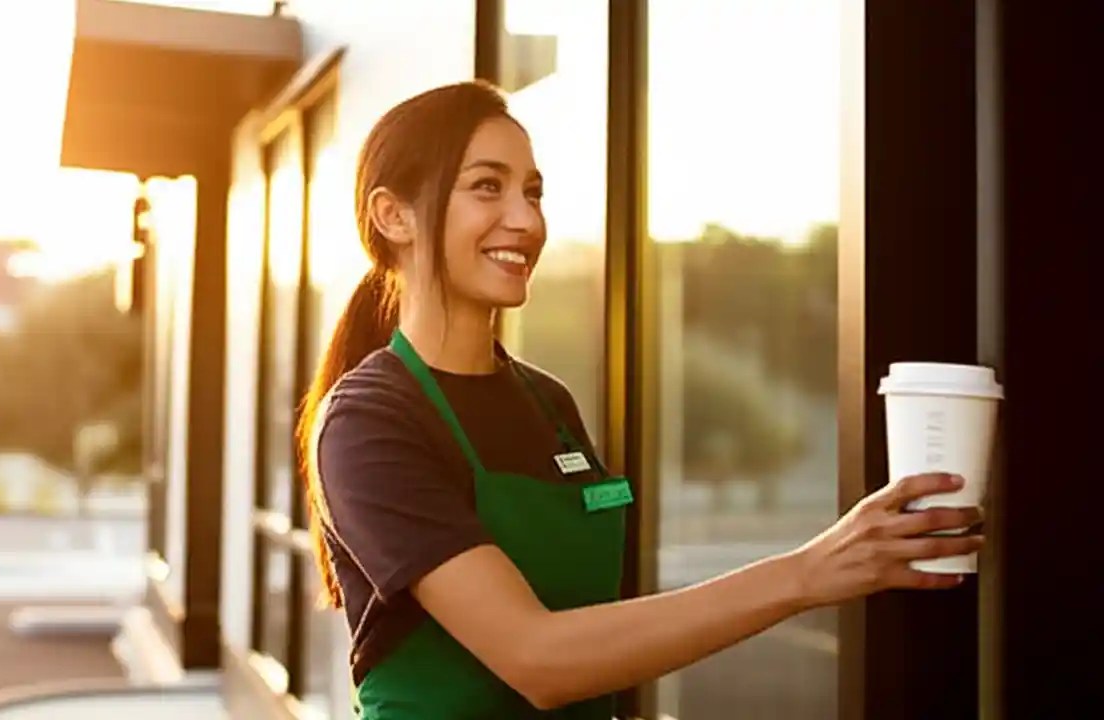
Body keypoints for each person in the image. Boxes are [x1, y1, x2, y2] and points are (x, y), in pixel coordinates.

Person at [295, 81, 984, 719]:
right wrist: (809, 572)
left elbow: (609, 630)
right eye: (487, 188)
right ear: (394, 216)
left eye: (533, 193)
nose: (525, 221)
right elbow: (539, 659)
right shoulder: (369, 422)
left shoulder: (546, 403)